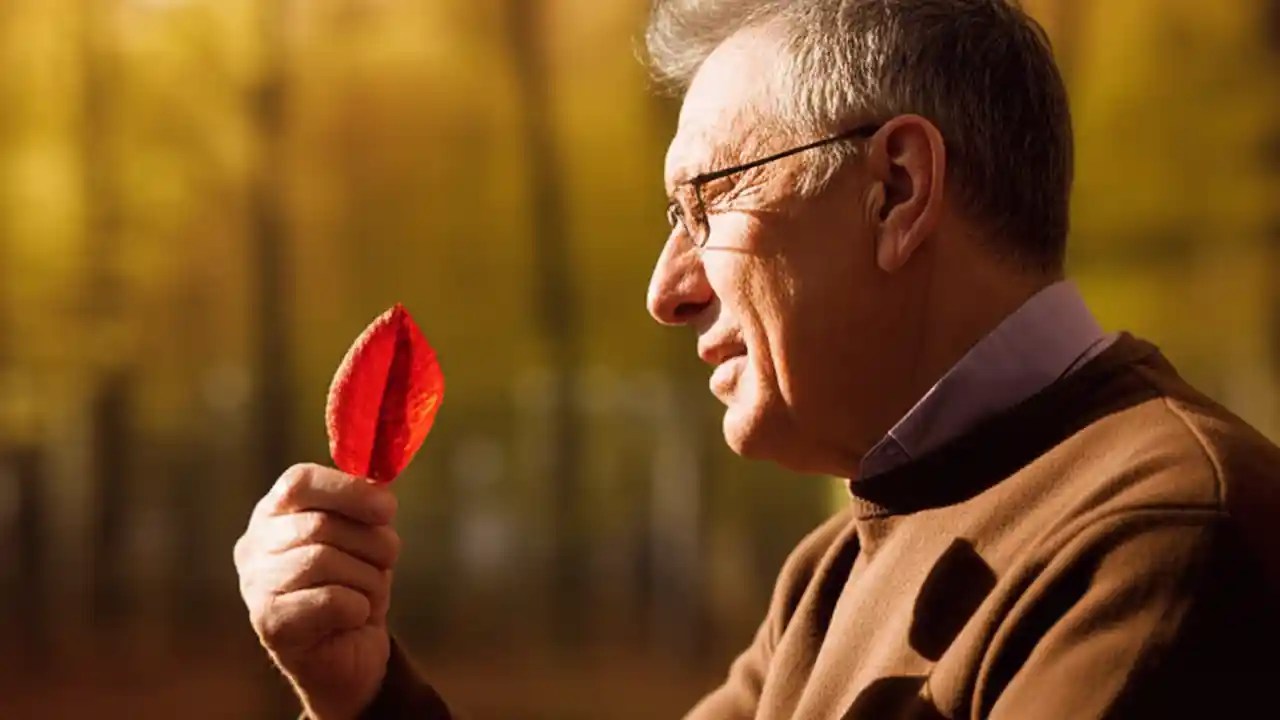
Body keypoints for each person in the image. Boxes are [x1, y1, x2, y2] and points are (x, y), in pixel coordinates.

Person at [234, 1, 1280, 717]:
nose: (665, 289)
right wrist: (362, 694)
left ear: (897, 190)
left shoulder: (1162, 540)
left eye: (705, 203)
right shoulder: (829, 573)